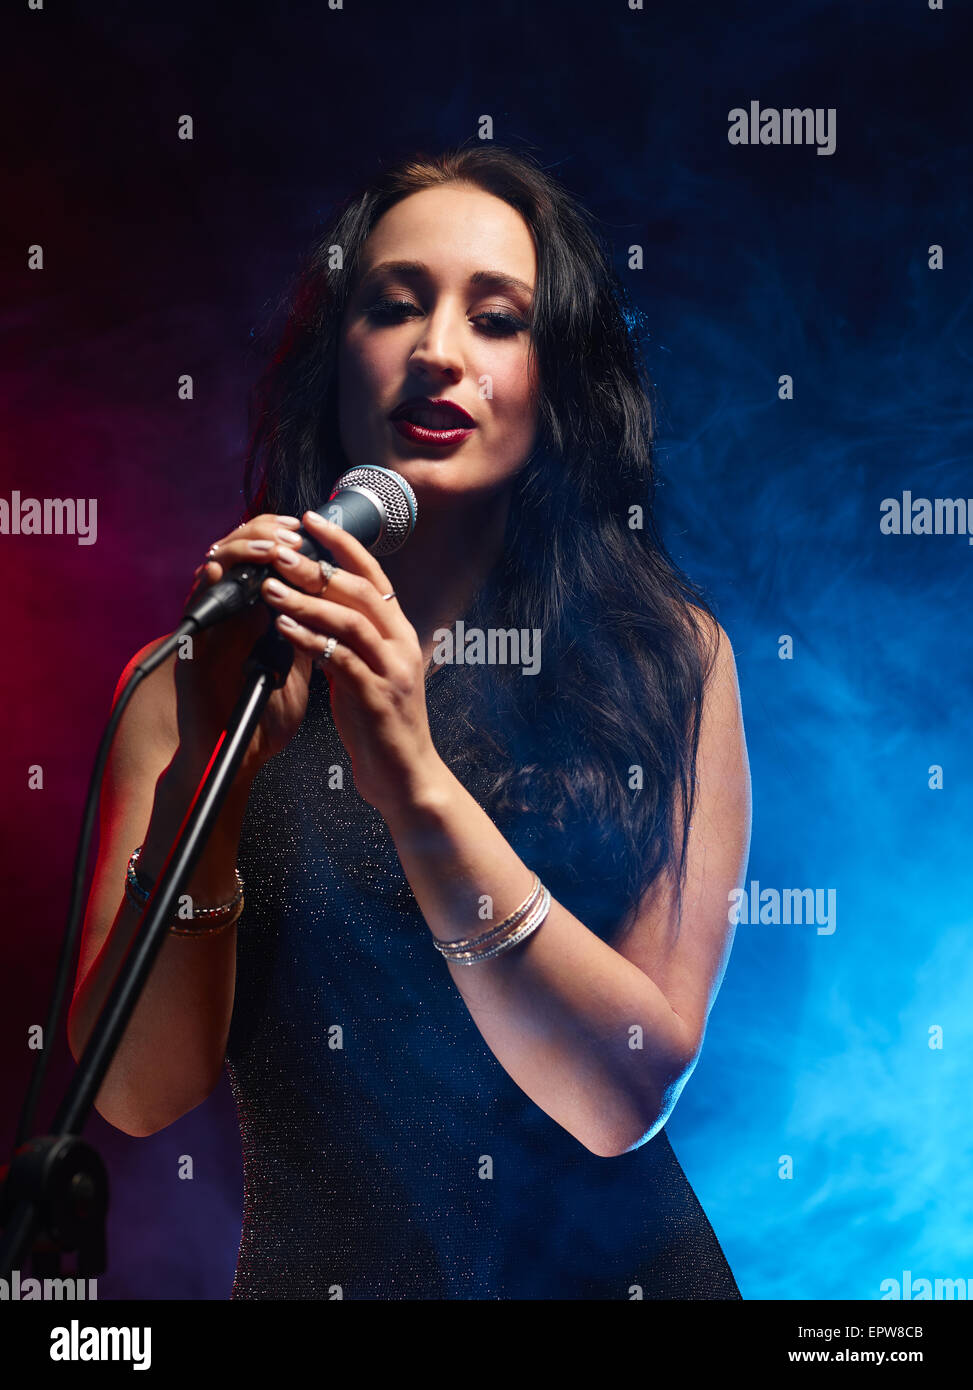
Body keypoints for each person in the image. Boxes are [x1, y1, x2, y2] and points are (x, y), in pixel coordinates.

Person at [68, 142, 751, 1300]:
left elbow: (624, 1097)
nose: (438, 351)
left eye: (498, 320)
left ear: (562, 378)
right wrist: (214, 777)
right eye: (394, 307)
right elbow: (133, 1093)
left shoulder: (664, 657)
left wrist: (416, 783)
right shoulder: (187, 676)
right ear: (337, 359)